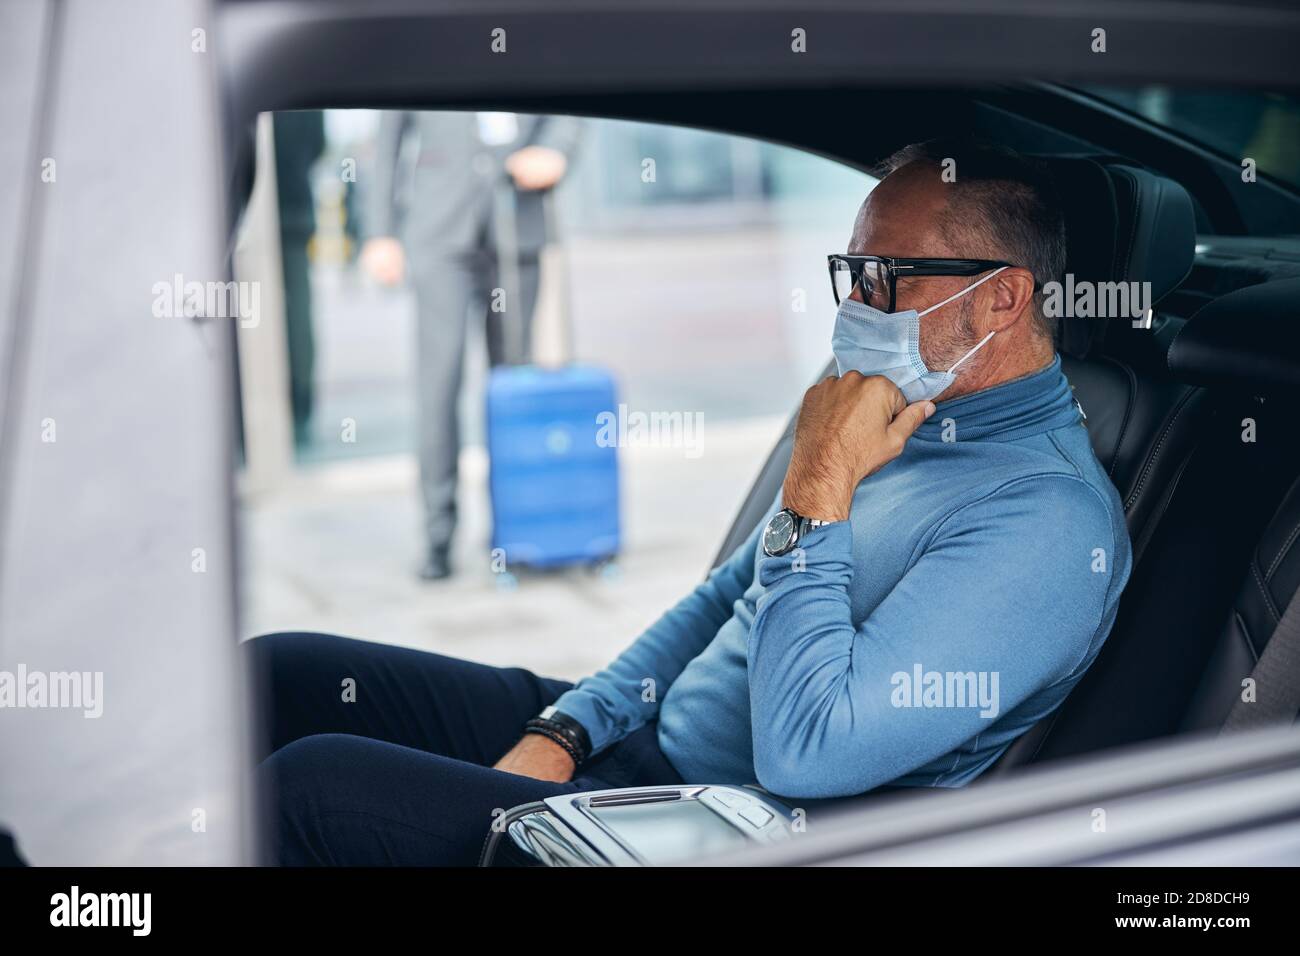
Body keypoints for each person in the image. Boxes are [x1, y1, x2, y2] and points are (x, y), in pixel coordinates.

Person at [251, 138, 1132, 865]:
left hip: (714, 829)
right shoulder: (908, 411)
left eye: (884, 276)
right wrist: (568, 729)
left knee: (310, 789)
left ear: (1003, 298)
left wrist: (818, 486)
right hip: (639, 750)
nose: (858, 306)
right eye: (850, 272)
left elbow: (807, 752)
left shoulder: (1047, 523)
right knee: (281, 675)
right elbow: (726, 599)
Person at [360, 111, 584, 580]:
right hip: (440, 231)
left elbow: (563, 104)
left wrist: (556, 150)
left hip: (518, 219)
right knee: (439, 386)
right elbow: (388, 141)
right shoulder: (412, 39)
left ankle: (517, 534)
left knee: (514, 388)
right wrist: (380, 231)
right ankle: (437, 537)